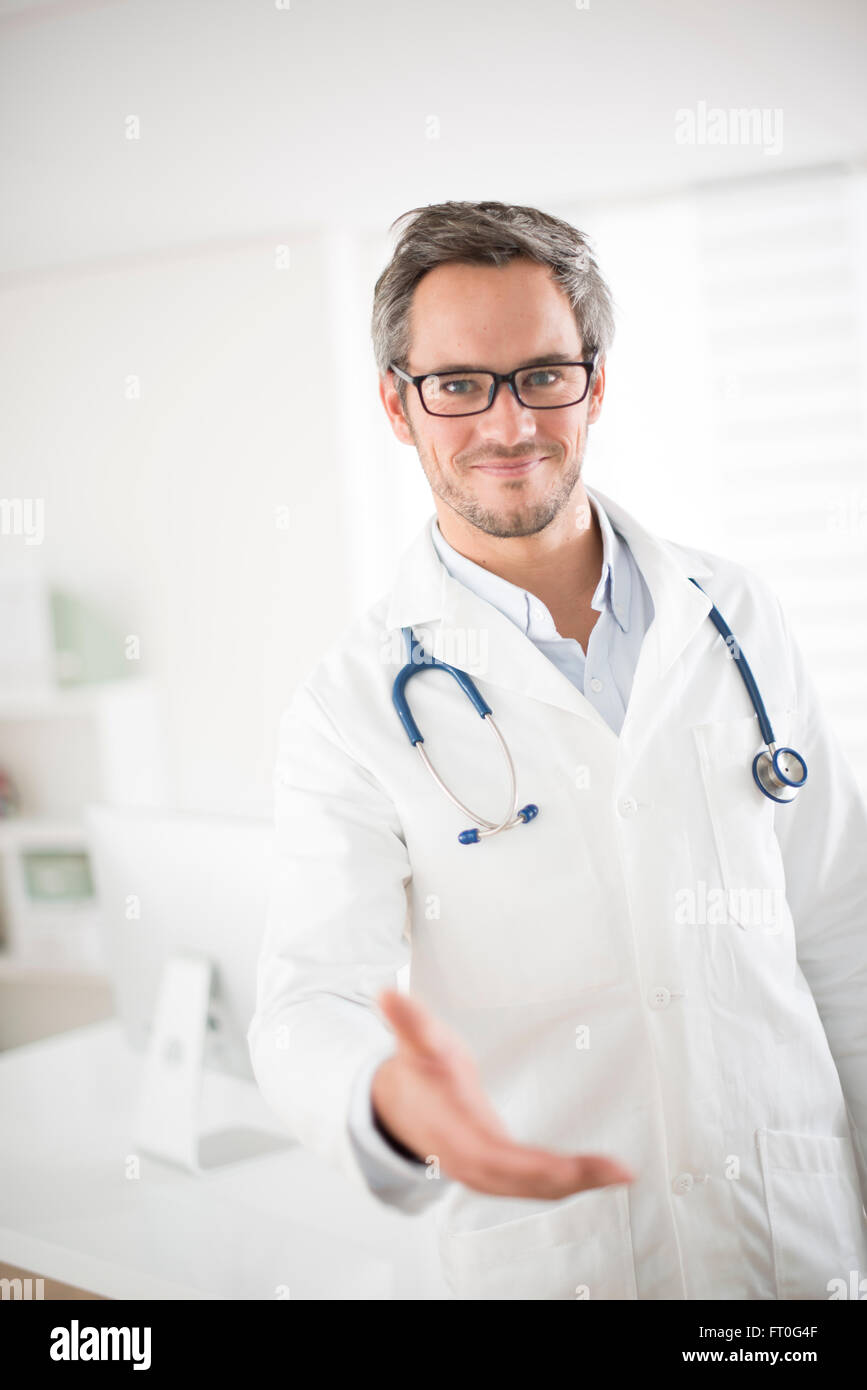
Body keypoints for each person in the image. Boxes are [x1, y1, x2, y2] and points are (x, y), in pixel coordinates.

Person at [248, 200, 867, 1300]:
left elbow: (842, 936)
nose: (508, 422)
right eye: (458, 385)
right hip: (563, 1262)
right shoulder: (349, 706)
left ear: (596, 381)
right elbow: (306, 1005)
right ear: (400, 404)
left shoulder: (737, 615)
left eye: (543, 373)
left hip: (797, 1244)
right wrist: (389, 1097)